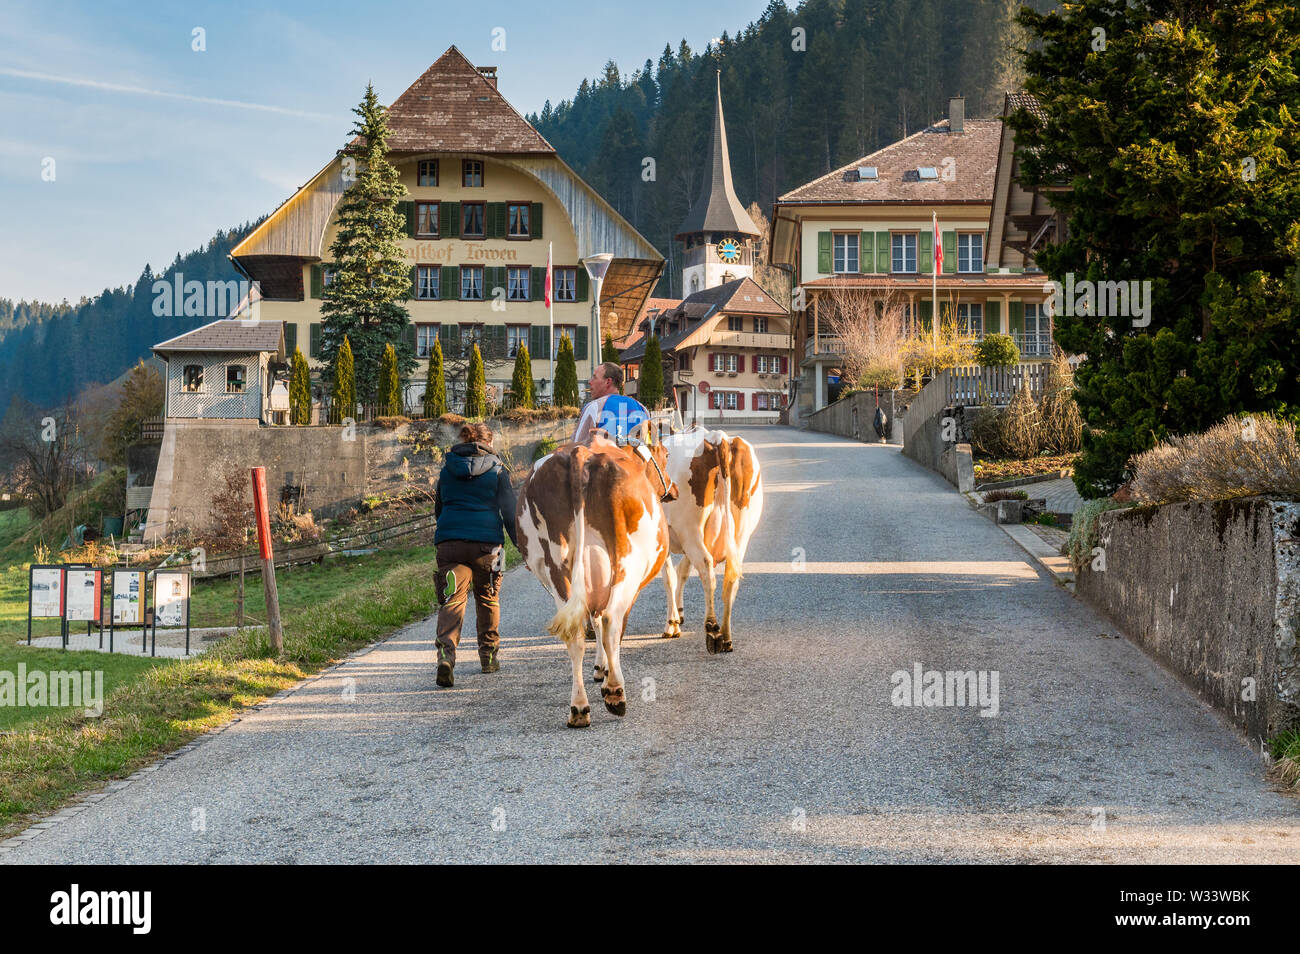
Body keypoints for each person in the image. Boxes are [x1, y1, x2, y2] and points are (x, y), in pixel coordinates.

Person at [432, 422, 518, 688]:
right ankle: (489, 657)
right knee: (489, 596)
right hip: (490, 547)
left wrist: (448, 535)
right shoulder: (498, 470)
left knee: (452, 600)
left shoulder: (447, 470)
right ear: (488, 443)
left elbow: (440, 508)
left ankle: (446, 656)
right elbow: (510, 513)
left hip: (450, 544)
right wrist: (522, 548)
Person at [572, 361, 650, 445]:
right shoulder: (641, 408)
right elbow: (649, 447)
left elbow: (577, 447)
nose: (590, 382)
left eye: (594, 377)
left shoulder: (594, 407)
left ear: (608, 381)